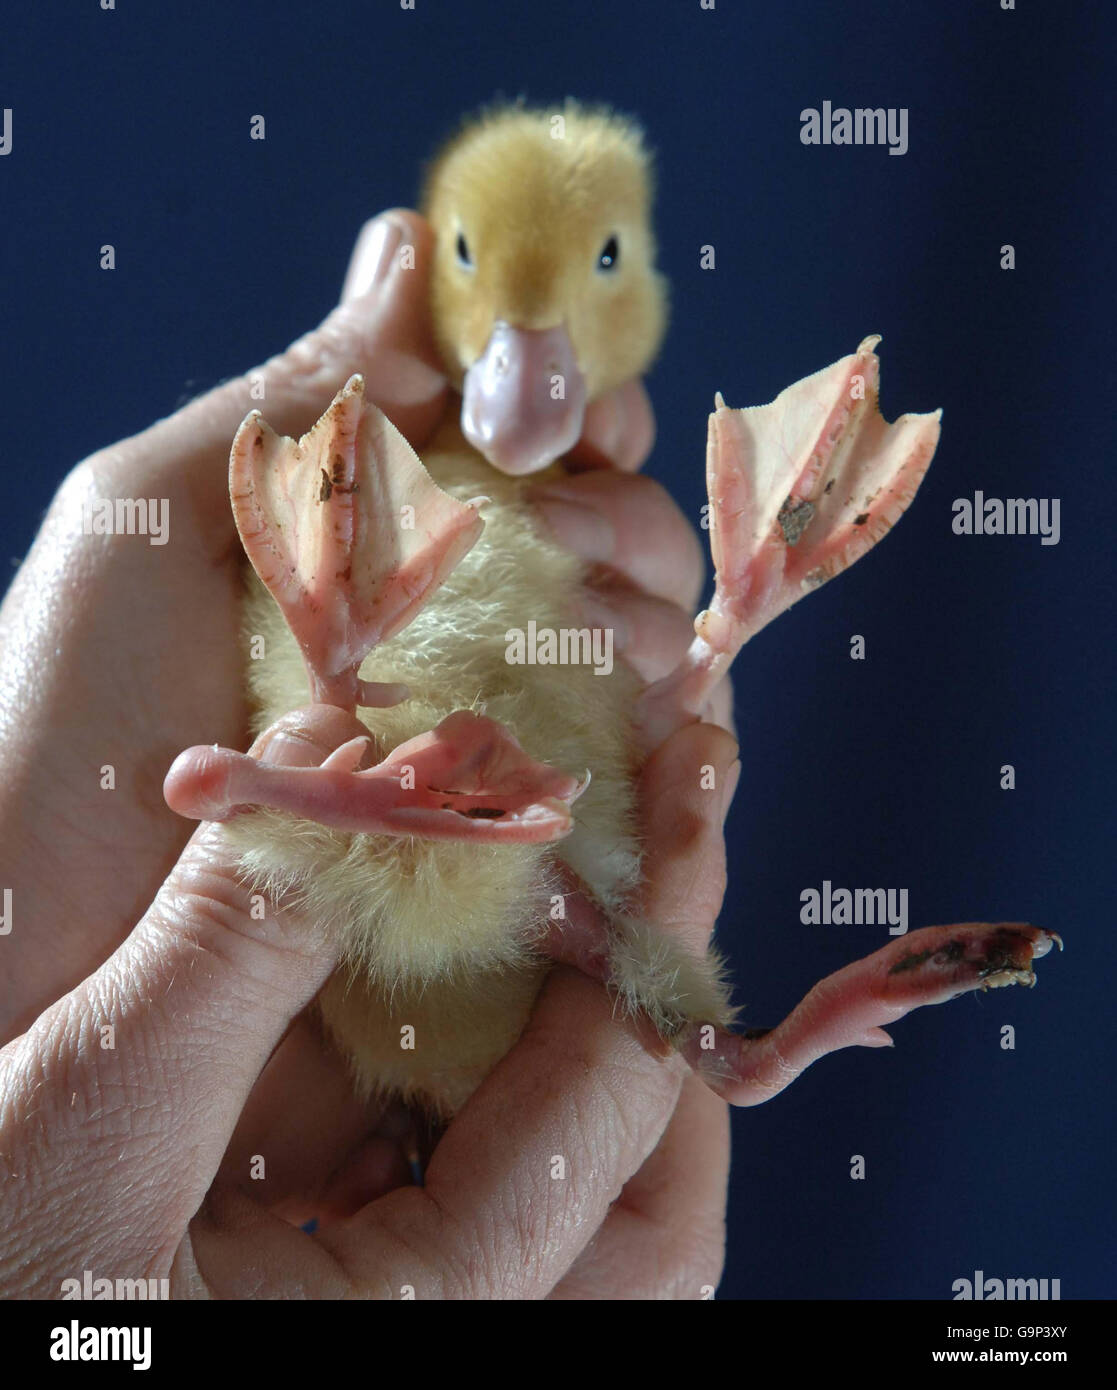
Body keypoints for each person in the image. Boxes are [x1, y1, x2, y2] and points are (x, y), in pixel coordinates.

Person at [0, 210, 738, 1299]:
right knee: (654, 933)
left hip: (444, 908)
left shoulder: (402, 514)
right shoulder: (378, 482)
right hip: (453, 884)